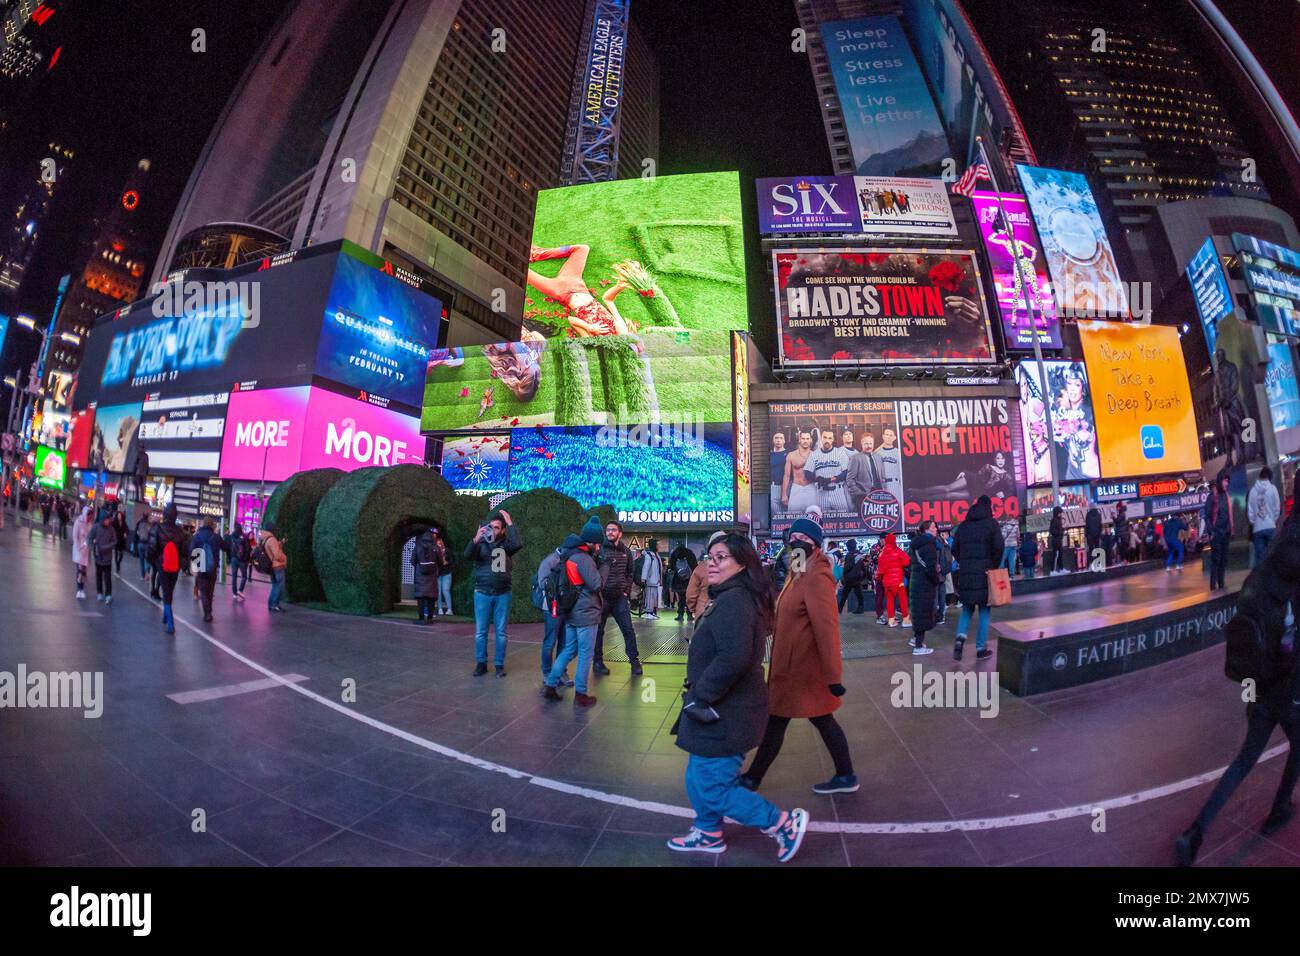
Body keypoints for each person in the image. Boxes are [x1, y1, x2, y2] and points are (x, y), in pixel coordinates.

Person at [667, 532, 809, 860]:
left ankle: (782, 823)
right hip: (721, 708)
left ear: (741, 564)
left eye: (721, 558)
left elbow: (734, 657)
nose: (711, 564)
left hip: (727, 711)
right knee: (700, 773)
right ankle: (707, 831)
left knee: (715, 787)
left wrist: (700, 696)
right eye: (709, 557)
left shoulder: (735, 602)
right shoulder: (731, 597)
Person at [1176, 506, 1300, 865]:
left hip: (1259, 677)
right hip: (1288, 682)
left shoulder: (1277, 543)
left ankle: (1195, 831)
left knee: (1246, 757)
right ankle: (1279, 807)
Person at [740, 517, 856, 794]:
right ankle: (846, 775)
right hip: (792, 665)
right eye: (794, 538)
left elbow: (827, 627)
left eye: (804, 540)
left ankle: (752, 779)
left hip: (804, 669)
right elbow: (786, 611)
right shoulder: (798, 569)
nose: (797, 543)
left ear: (815, 544)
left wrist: (833, 675)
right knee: (817, 719)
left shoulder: (817, 574)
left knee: (780, 719)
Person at [541, 517, 605, 706]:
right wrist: (605, 566)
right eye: (598, 544)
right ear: (592, 542)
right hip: (585, 612)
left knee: (569, 649)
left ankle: (551, 686)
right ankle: (581, 694)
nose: (599, 548)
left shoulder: (569, 554)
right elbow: (596, 584)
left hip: (570, 610)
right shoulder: (582, 558)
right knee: (586, 653)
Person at [465, 509, 522, 676]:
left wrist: (510, 522)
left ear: (503, 530)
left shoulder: (507, 545)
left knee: (501, 632)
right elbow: (467, 555)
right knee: (481, 631)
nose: (493, 530)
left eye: (497, 527)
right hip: (482, 592)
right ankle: (481, 663)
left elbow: (518, 544)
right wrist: (476, 538)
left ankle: (499, 665)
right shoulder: (480, 544)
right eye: (492, 527)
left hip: (503, 593)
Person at [950, 495, 1004, 661]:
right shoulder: (991, 524)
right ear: (989, 507)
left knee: (967, 609)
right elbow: (999, 547)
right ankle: (981, 648)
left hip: (966, 574)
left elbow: (954, 549)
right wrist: (993, 565)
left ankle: (960, 639)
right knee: (984, 610)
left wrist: (964, 562)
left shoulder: (964, 526)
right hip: (985, 574)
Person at [594, 520, 641, 675]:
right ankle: (598, 662)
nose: (610, 532)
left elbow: (630, 573)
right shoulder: (599, 550)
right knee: (598, 631)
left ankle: (635, 662)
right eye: (608, 530)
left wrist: (626, 591)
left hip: (619, 598)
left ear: (620, 533)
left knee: (628, 630)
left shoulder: (626, 552)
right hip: (603, 598)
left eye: (613, 530)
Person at [535, 537, 576, 687]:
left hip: (565, 607)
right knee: (550, 641)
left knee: (564, 642)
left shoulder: (569, 561)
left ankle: (560, 671)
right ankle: (547, 672)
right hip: (552, 607)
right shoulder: (550, 561)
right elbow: (542, 583)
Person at [907, 520, 942, 655]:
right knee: (922, 613)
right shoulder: (929, 545)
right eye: (933, 527)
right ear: (926, 530)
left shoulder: (917, 544)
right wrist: (936, 580)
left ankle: (916, 639)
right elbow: (929, 567)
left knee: (918, 612)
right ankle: (918, 646)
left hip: (917, 582)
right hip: (924, 584)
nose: (936, 529)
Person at [150, 504, 187, 635]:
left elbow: (152, 548)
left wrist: (154, 562)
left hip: (162, 564)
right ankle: (166, 617)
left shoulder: (157, 529)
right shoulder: (181, 532)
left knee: (166, 592)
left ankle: (170, 622)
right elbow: (184, 552)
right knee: (169, 590)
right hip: (175, 566)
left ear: (165, 514)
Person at [191, 517, 227, 623]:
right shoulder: (216, 537)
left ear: (203, 524)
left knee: (203, 590)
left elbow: (192, 550)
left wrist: (194, 567)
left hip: (201, 567)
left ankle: (207, 613)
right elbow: (226, 547)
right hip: (213, 567)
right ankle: (209, 611)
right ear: (212, 525)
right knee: (210, 591)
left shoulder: (197, 536)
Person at [686, 531, 725, 621]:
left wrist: (695, 609)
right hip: (726, 613)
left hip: (703, 612)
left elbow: (691, 594)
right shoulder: (733, 567)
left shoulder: (702, 567)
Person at [874, 532, 911, 627]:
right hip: (898, 582)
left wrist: (877, 577)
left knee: (889, 600)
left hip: (887, 582)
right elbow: (907, 562)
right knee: (903, 599)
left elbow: (880, 570)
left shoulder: (882, 554)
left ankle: (891, 621)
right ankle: (906, 620)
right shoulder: (898, 551)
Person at [411, 526, 446, 624]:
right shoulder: (436, 547)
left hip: (420, 576)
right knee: (431, 597)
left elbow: (412, 561)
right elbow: (441, 562)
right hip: (432, 576)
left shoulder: (418, 545)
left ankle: (421, 619)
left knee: (421, 598)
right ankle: (430, 619)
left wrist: (419, 566)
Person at [1205, 475, 1233, 591]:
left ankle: (1221, 582)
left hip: (1226, 532)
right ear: (1220, 482)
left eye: (1228, 481)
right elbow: (1207, 517)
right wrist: (1211, 531)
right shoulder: (1212, 497)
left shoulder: (1226, 496)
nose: (1227, 483)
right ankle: (1213, 585)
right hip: (1216, 533)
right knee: (1216, 559)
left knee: (1224, 558)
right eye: (1225, 480)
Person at [1249, 466, 1281, 566]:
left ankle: (1261, 579)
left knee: (1260, 559)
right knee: (1273, 556)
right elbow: (1277, 508)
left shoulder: (1253, 491)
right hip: (1270, 526)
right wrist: (1273, 520)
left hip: (1258, 529)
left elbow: (1250, 512)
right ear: (1269, 477)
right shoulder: (1273, 489)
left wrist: (1255, 522)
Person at [87, 510, 118, 605]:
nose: (108, 521)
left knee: (108, 577)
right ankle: (99, 592)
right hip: (98, 556)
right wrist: (92, 547)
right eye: (106, 520)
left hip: (108, 558)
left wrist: (108, 546)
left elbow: (114, 541)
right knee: (99, 575)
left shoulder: (111, 529)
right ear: (102, 520)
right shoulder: (95, 527)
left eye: (108, 519)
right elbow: (89, 538)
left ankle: (108, 594)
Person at [667, 540, 698, 624]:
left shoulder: (674, 554)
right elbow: (695, 565)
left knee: (681, 598)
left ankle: (680, 615)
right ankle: (689, 615)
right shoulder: (689, 553)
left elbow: (671, 567)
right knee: (689, 597)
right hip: (689, 580)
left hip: (678, 580)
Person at [261, 524, 289, 613]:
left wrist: (281, 542)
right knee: (279, 586)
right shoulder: (272, 539)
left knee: (275, 586)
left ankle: (271, 605)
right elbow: (277, 555)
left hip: (272, 566)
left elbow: (273, 548)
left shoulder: (266, 539)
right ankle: (274, 605)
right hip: (277, 566)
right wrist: (284, 558)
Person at [636, 538, 663, 619]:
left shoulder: (655, 555)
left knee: (653, 597)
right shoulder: (649, 555)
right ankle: (648, 612)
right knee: (650, 597)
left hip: (655, 580)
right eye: (657, 544)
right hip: (651, 580)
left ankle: (651, 612)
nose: (659, 546)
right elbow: (645, 567)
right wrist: (643, 579)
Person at [837, 540, 867, 614]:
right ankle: (860, 608)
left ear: (849, 546)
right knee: (859, 594)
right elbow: (863, 566)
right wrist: (863, 576)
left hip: (849, 578)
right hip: (857, 578)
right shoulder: (859, 554)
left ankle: (839, 610)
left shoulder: (849, 554)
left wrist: (843, 571)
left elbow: (848, 567)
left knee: (844, 595)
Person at [226, 521, 251, 600]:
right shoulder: (244, 536)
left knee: (234, 576)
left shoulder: (231, 536)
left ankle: (234, 594)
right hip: (242, 560)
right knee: (244, 576)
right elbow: (248, 549)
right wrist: (246, 559)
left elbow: (228, 547)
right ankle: (240, 590)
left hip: (234, 558)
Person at [71, 505, 92, 600]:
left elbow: (90, 536)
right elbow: (75, 536)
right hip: (79, 550)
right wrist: (78, 546)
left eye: (90, 516)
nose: (89, 518)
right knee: (80, 570)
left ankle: (81, 589)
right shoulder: (78, 522)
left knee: (84, 571)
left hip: (86, 550)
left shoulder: (90, 524)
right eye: (88, 516)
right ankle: (78, 589)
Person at [436, 531, 454, 616]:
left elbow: (451, 561)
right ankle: (439, 609)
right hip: (438, 574)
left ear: (442, 543)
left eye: (440, 543)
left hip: (447, 574)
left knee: (445, 590)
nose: (439, 544)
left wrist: (446, 561)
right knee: (438, 592)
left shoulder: (447, 551)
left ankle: (450, 609)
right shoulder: (435, 552)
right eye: (438, 543)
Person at [134, 512, 153, 579]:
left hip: (140, 543)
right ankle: (147, 573)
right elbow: (151, 534)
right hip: (147, 544)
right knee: (147, 560)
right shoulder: (149, 524)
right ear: (147, 517)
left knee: (141, 561)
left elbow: (136, 533)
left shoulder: (139, 523)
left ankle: (142, 575)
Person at [1048, 506, 1066, 574]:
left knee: (1059, 555)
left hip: (1058, 540)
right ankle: (1053, 570)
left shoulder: (1058, 520)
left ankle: (1060, 569)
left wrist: (1061, 531)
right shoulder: (1054, 520)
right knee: (1055, 555)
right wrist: (1060, 532)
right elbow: (1052, 530)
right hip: (1056, 540)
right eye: (1060, 512)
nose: (1061, 514)